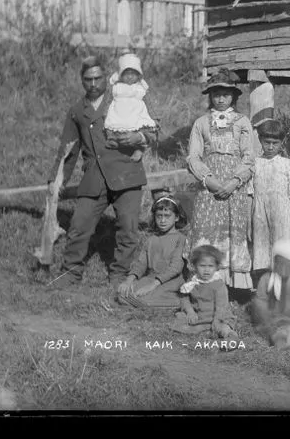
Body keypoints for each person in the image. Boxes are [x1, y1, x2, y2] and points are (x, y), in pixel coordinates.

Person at [48, 56, 155, 287]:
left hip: (127, 172)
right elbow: (67, 149)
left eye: (98, 78)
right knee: (79, 225)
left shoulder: (124, 95)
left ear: (106, 78)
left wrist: (140, 137)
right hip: (94, 175)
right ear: (82, 81)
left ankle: (118, 275)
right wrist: (56, 180)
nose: (94, 83)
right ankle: (70, 274)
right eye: (88, 79)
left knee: (128, 229)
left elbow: (155, 128)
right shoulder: (77, 110)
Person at [185, 68, 255, 289]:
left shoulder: (243, 122)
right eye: (216, 94)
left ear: (234, 95)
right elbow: (193, 157)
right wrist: (210, 181)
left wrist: (235, 182)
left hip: (235, 187)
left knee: (232, 230)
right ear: (210, 96)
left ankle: (233, 286)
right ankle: (203, 282)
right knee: (205, 228)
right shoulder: (201, 123)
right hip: (210, 188)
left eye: (226, 94)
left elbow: (249, 156)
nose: (221, 99)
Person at [250, 119, 290, 276]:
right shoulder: (255, 164)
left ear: (282, 142)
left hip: (284, 218)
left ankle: (286, 290)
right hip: (261, 217)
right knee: (263, 255)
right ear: (260, 140)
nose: (271, 147)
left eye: (275, 142)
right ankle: (265, 290)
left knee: (284, 254)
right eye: (267, 142)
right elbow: (250, 193)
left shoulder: (287, 164)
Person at [116, 195, 187, 309]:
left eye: (167, 216)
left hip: (170, 281)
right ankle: (143, 303)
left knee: (144, 298)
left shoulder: (181, 239)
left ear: (177, 217)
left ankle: (177, 302)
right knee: (122, 294)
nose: (162, 220)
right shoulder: (151, 240)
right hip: (151, 278)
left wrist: (152, 286)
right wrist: (129, 280)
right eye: (159, 216)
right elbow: (141, 264)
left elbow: (175, 267)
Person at [249, 239, 290, 350]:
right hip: (271, 319)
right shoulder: (266, 278)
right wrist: (266, 319)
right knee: (276, 331)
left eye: (287, 264)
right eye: (279, 263)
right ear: (274, 262)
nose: (282, 268)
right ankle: (280, 342)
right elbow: (260, 301)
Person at [171, 245, 240, 345]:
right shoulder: (192, 282)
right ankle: (204, 331)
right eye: (202, 266)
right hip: (198, 315)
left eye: (210, 266)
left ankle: (231, 338)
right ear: (194, 266)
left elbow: (221, 307)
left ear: (216, 267)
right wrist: (190, 312)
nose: (206, 270)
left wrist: (217, 321)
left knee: (223, 327)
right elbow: (184, 298)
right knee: (180, 318)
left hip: (216, 315)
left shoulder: (218, 285)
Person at [103, 53, 158, 162]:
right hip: (119, 114)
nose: (129, 76)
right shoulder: (116, 87)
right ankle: (113, 140)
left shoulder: (140, 87)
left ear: (138, 75)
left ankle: (139, 149)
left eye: (133, 74)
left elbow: (149, 103)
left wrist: (155, 117)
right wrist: (104, 114)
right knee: (111, 126)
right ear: (120, 75)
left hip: (135, 115)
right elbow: (108, 101)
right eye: (126, 74)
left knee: (141, 130)